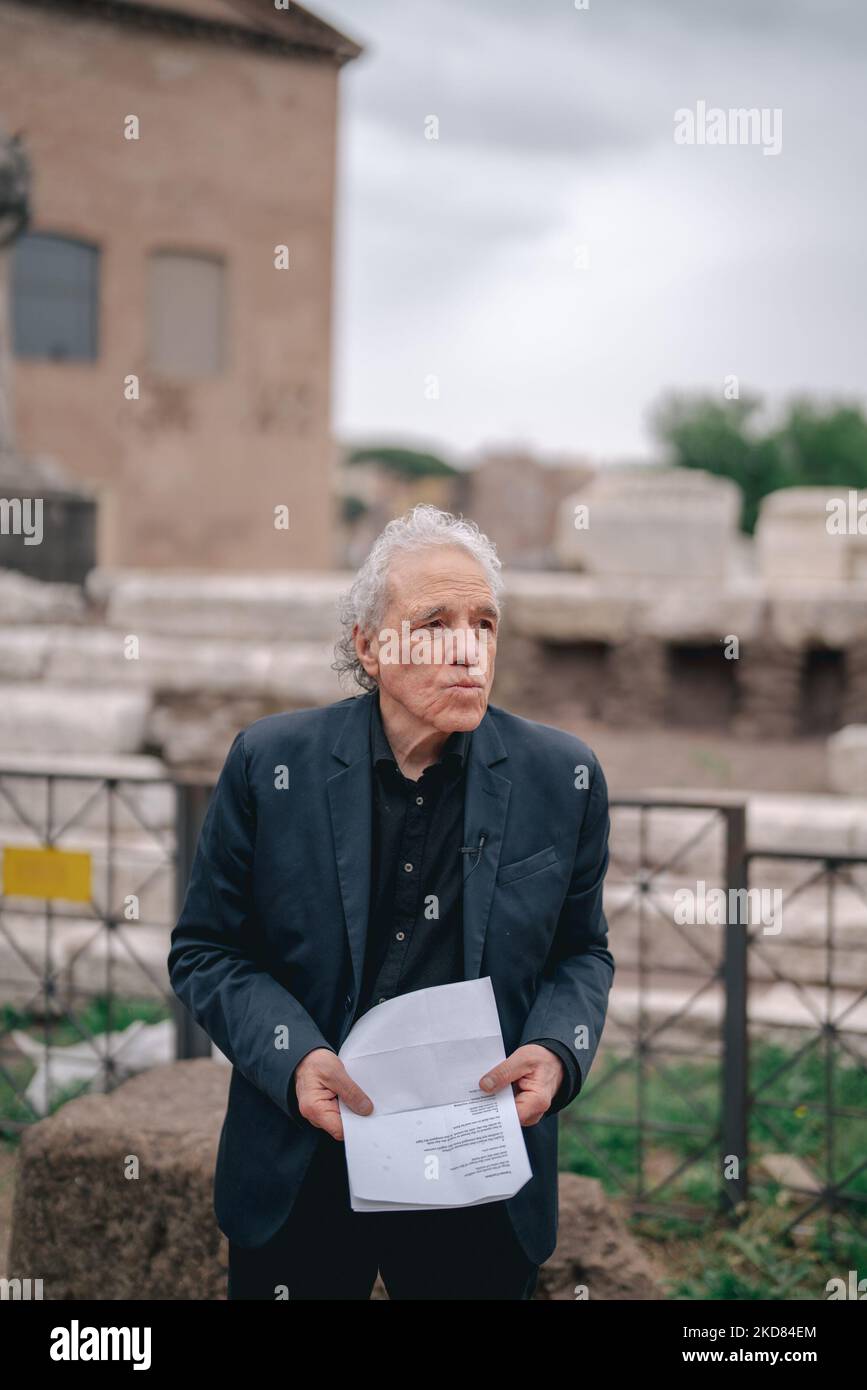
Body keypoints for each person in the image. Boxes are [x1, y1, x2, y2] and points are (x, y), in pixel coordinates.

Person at [168, 504, 614, 1300]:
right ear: (368, 646)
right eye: (434, 622)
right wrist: (295, 1057)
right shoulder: (270, 765)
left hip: (479, 1170)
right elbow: (206, 950)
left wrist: (556, 1050)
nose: (468, 648)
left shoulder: (563, 777)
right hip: (303, 1160)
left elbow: (582, 952)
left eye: (484, 622)